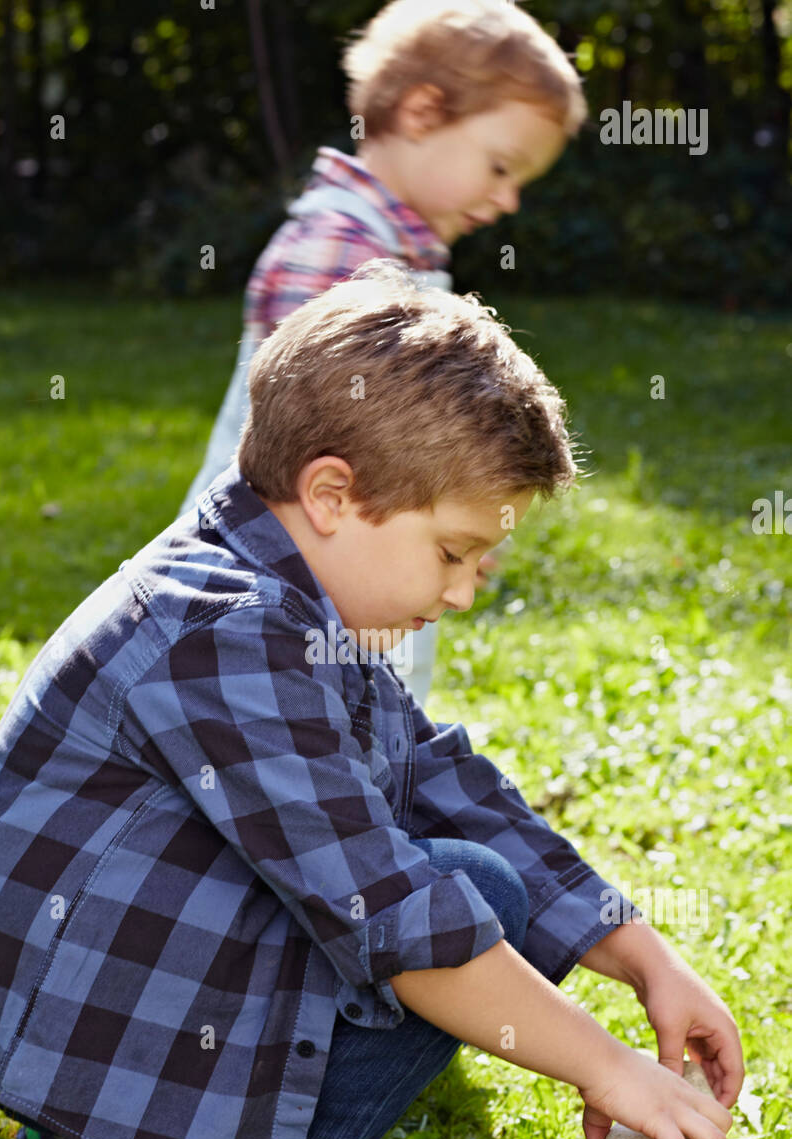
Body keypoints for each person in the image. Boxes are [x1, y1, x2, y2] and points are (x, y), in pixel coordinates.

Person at [0, 264, 741, 1139]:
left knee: (471, 872)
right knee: (458, 898)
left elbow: (439, 777)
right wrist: (604, 1065)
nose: (457, 594)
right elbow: (393, 915)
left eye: (479, 569)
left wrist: (641, 953)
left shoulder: (289, 598)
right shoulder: (222, 630)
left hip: (88, 1017)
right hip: (77, 1034)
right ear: (329, 495)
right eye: (452, 553)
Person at [177, 0, 588, 705]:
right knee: (291, 721)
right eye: (499, 166)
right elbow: (320, 440)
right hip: (289, 580)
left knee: (362, 720)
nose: (510, 199)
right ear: (424, 113)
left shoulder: (398, 250)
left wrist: (452, 534)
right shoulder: (340, 248)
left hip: (364, 558)